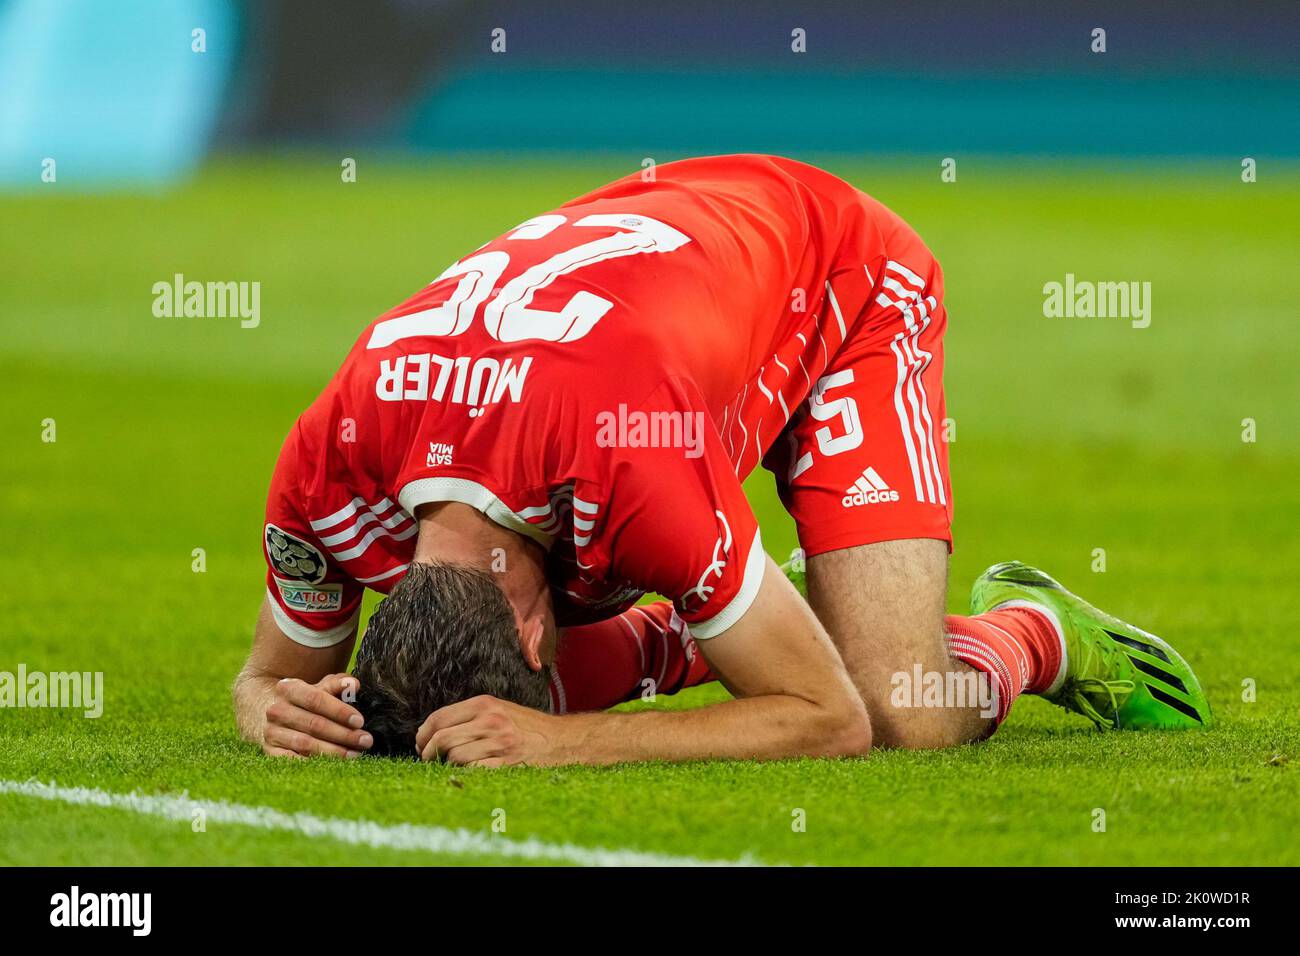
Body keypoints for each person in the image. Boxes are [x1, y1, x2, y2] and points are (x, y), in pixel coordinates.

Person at [232, 155, 1211, 766]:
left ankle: (1036, 628)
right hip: (673, 261)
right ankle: (747, 611)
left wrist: (562, 741)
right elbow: (264, 678)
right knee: (487, 700)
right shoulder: (326, 474)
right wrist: (279, 711)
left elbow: (829, 721)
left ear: (536, 629)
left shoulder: (631, 468)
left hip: (836, 280)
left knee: (903, 708)